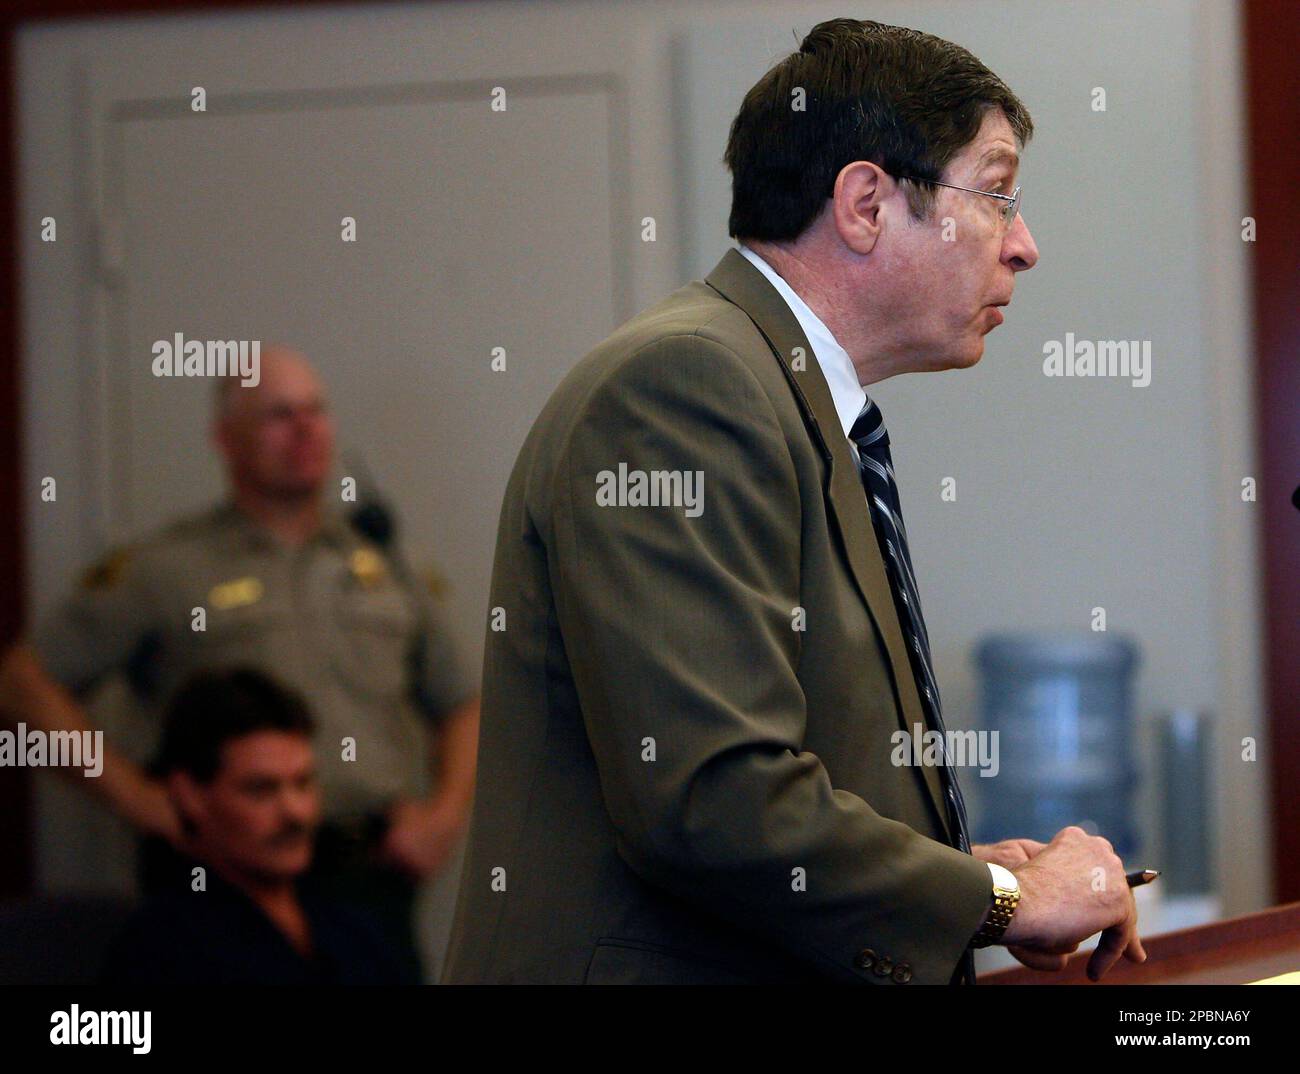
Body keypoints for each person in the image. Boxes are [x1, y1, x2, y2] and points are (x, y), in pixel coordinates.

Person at [444, 18, 1147, 985]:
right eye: (993, 192)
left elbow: (792, 770)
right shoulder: (686, 387)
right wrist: (1004, 902)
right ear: (864, 203)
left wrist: (948, 879)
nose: (1023, 245)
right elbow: (712, 799)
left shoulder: (784, 395)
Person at [0, 345, 479, 982]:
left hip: (368, 881)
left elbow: (461, 700)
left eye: (316, 410)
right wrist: (140, 799)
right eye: (280, 414)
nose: (307, 428)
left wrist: (444, 816)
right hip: (218, 892)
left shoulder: (385, 564)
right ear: (226, 439)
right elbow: (24, 684)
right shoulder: (167, 568)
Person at [100, 668, 415, 985]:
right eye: (261, 789)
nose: (295, 813)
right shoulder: (161, 947)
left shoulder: (350, 927)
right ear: (190, 795)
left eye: (303, 783)